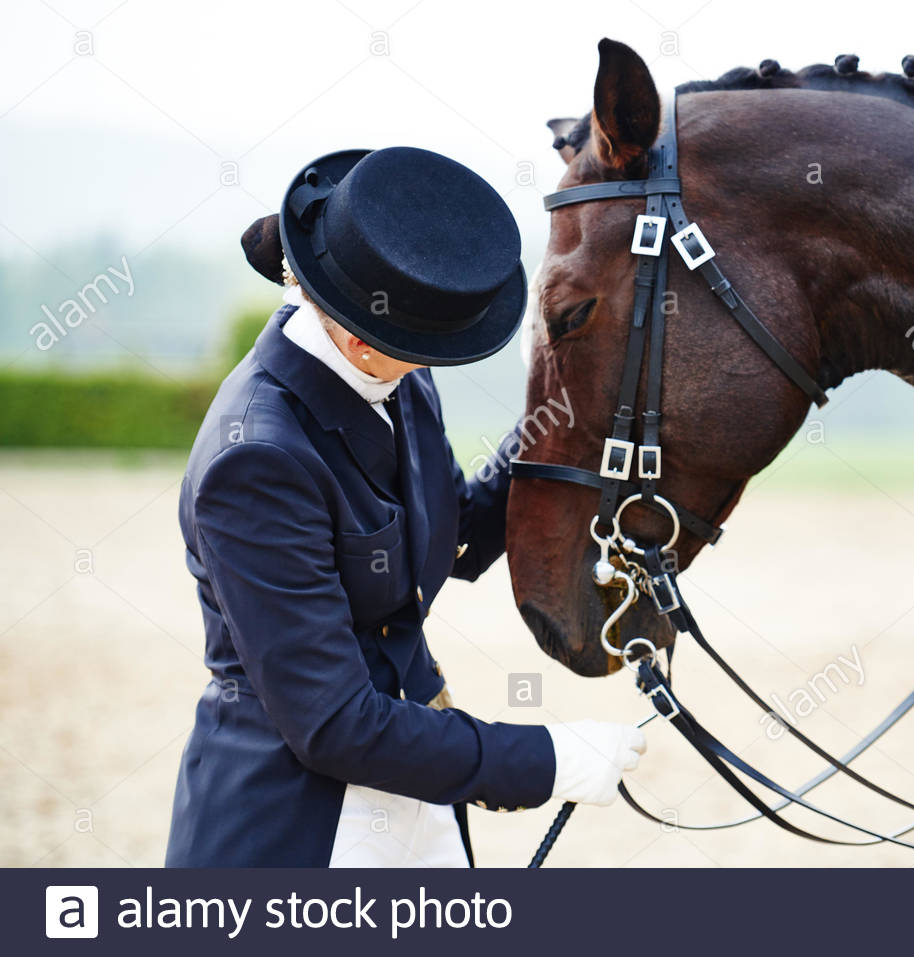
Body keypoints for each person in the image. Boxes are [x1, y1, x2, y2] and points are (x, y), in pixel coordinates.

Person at [165, 146, 645, 867]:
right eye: (428, 348)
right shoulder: (257, 459)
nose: (433, 365)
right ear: (361, 339)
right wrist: (546, 758)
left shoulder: (397, 382)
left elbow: (456, 534)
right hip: (297, 822)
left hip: (421, 787)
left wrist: (564, 400)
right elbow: (334, 722)